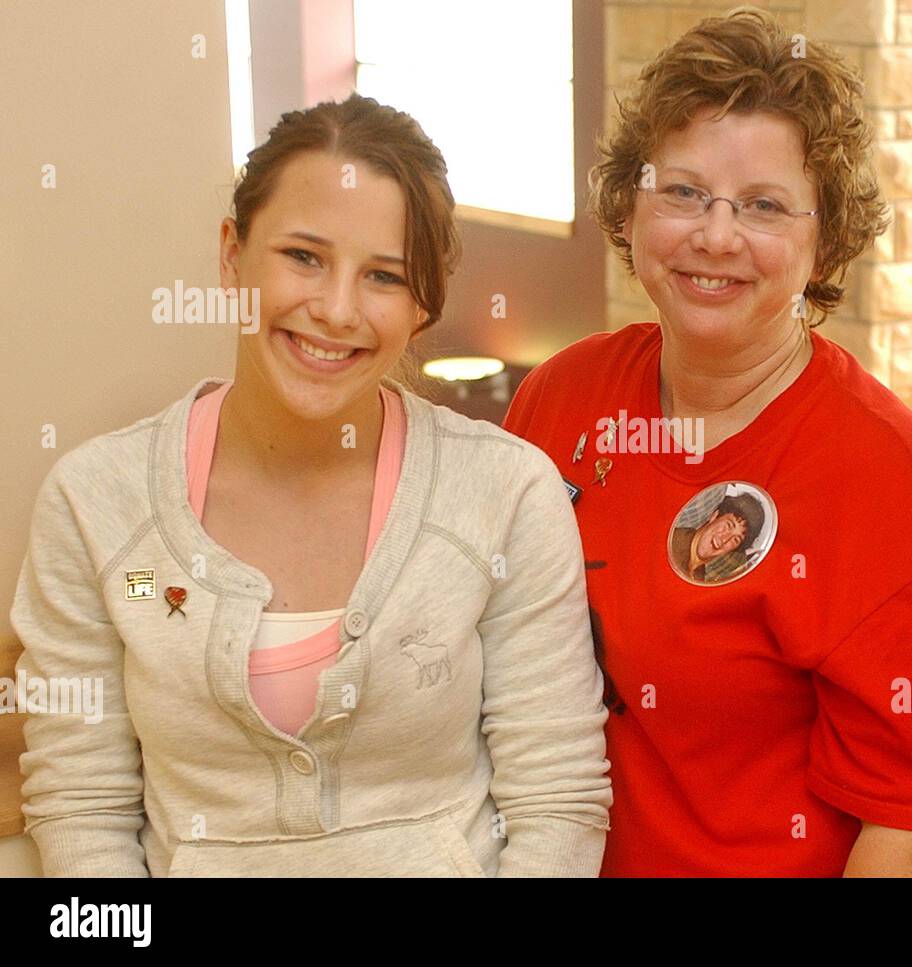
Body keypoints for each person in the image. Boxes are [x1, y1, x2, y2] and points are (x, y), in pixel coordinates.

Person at [11, 94, 611, 877]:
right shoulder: (95, 504)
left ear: (422, 302)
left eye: (384, 276)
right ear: (233, 254)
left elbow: (556, 798)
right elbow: (80, 807)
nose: (334, 309)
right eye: (302, 256)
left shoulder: (507, 493)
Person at [504, 8, 912, 876]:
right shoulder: (564, 396)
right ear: (631, 205)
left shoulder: (906, 499)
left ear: (825, 241)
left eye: (765, 206)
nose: (716, 235)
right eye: (684, 191)